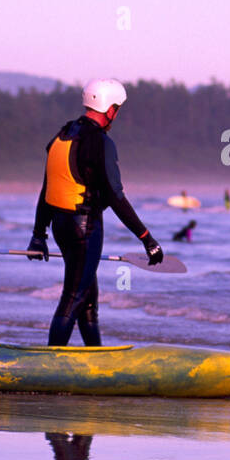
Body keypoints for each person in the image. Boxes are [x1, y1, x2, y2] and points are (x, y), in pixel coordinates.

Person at [28, 78, 163, 346]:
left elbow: (47, 189)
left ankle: (95, 358)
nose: (117, 115)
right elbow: (115, 196)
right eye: (117, 109)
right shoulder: (100, 142)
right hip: (84, 228)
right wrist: (147, 238)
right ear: (110, 109)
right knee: (74, 296)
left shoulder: (62, 136)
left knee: (87, 298)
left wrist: (39, 234)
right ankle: (51, 362)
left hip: (60, 226)